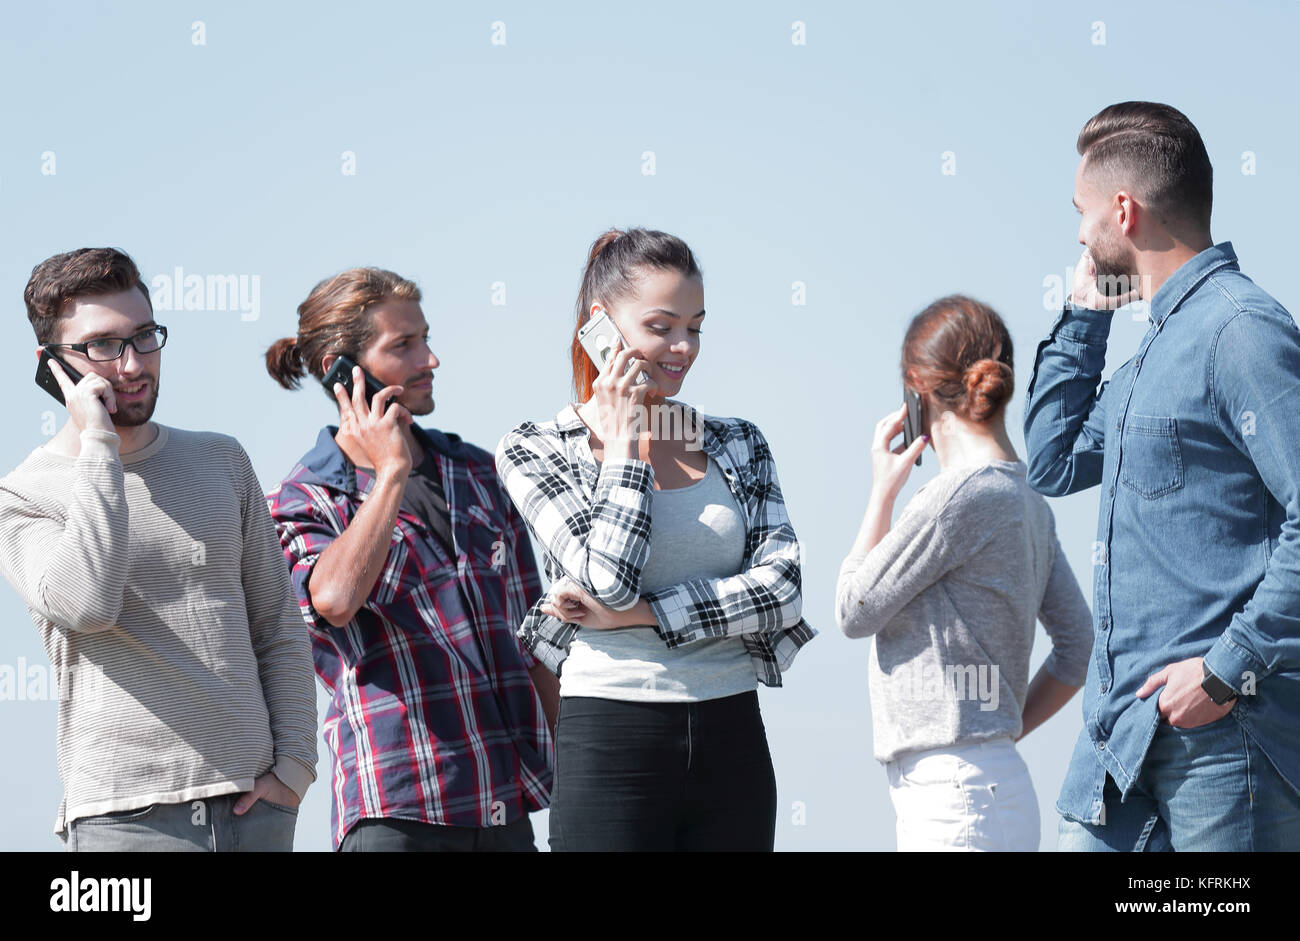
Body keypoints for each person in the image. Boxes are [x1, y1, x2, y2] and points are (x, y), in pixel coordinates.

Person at [1024, 101, 1300, 850]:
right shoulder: (1153, 350)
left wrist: (1225, 668)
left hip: (1224, 743)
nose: (1080, 235)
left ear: (1124, 208)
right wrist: (1086, 315)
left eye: (1082, 213)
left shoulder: (1241, 331)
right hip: (1118, 748)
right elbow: (1049, 459)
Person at [494, 227, 815, 851]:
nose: (684, 347)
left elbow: (783, 590)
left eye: (696, 326)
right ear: (601, 326)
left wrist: (645, 614)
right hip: (610, 735)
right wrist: (625, 445)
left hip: (732, 732)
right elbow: (606, 580)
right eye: (661, 325)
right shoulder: (534, 448)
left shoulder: (738, 441)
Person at [0, 247, 318, 851]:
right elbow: (87, 604)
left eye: (145, 337)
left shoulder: (221, 459)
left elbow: (277, 623)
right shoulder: (22, 496)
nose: (132, 364)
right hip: (126, 817)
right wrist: (99, 442)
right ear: (53, 367)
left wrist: (295, 769)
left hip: (258, 808)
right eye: (103, 346)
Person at [265, 267, 557, 852]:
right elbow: (336, 601)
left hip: (506, 803)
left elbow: (537, 639)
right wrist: (391, 472)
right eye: (404, 345)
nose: (430, 358)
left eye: (425, 337)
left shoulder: (478, 473)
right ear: (341, 371)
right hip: (397, 809)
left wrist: (574, 764)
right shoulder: (303, 499)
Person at [835, 295, 1091, 851]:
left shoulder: (955, 498)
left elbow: (853, 610)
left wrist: (882, 489)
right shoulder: (1029, 502)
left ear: (915, 387)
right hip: (992, 785)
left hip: (952, 797)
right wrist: (999, 727)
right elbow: (1077, 648)